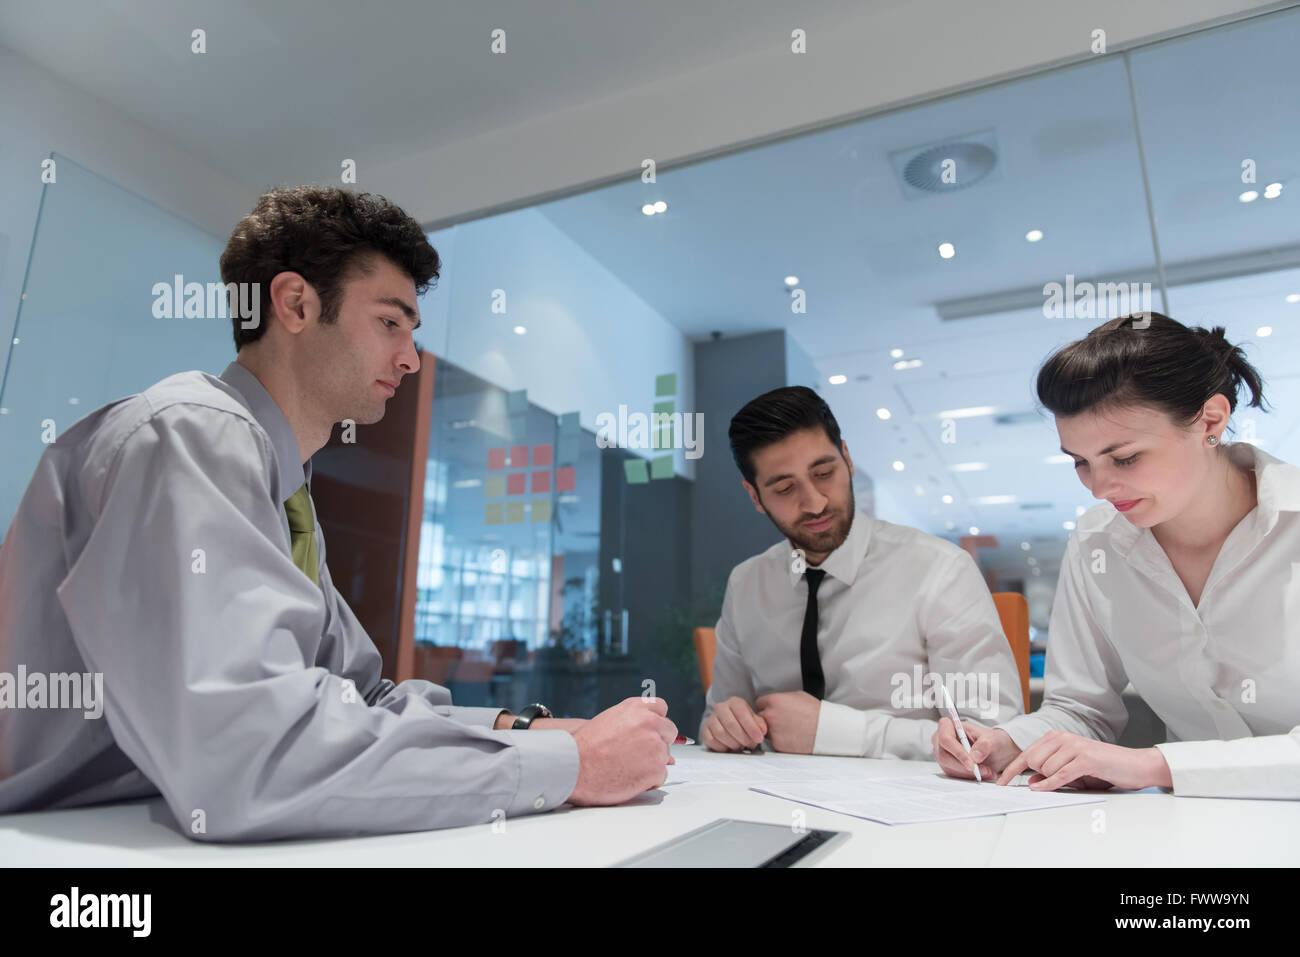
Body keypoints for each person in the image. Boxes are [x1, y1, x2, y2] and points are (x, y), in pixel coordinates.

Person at [0, 186, 675, 841]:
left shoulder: (284, 491)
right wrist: (573, 767)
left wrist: (522, 731)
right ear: (294, 303)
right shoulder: (192, 435)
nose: (409, 358)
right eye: (389, 323)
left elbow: (363, 698)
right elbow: (252, 757)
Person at [934, 313, 1300, 798]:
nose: (1100, 488)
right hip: (1191, 830)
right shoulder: (1097, 542)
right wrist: (1007, 744)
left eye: (1124, 457)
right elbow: (1081, 709)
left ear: (1210, 420)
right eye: (1081, 463)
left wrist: (1157, 765)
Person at [699, 386, 1023, 757]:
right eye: (785, 488)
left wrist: (835, 732)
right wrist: (723, 727)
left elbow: (992, 740)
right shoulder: (747, 585)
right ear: (755, 496)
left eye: (823, 472)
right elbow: (717, 718)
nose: (815, 502)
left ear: (848, 459)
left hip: (912, 805)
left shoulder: (940, 570)